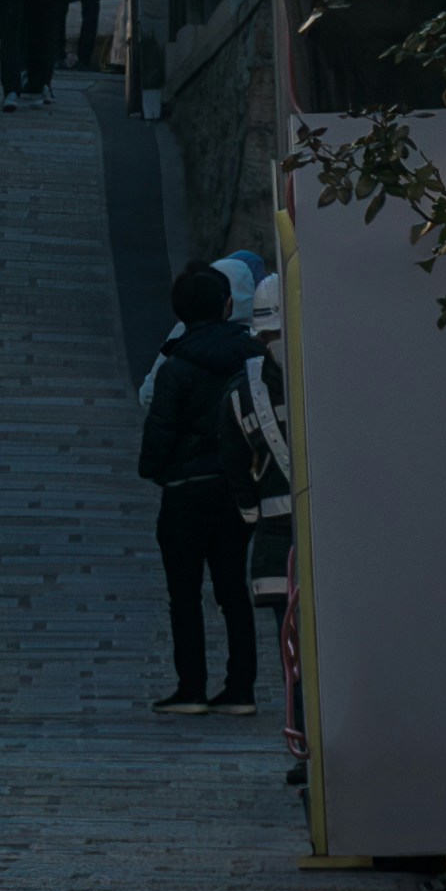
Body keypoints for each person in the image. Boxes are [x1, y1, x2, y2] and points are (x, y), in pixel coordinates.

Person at [138, 258, 261, 710]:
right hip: (236, 489)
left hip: (185, 490)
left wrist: (156, 470)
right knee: (233, 589)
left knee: (184, 594)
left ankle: (191, 686)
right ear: (228, 305)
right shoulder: (254, 358)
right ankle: (241, 688)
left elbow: (159, 435)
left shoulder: (176, 367)